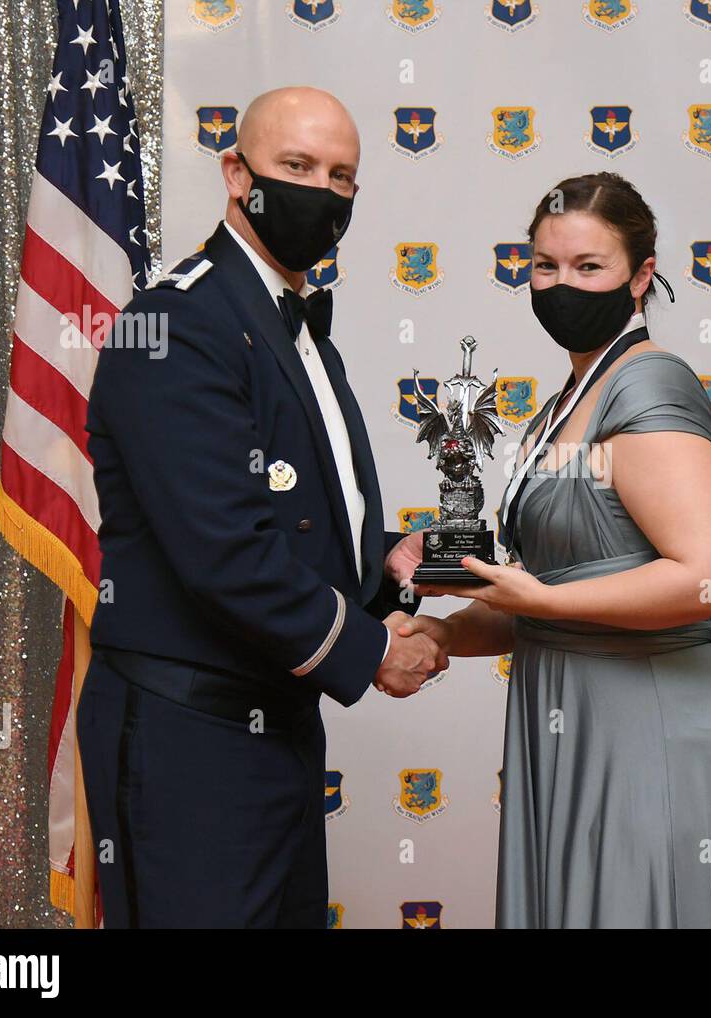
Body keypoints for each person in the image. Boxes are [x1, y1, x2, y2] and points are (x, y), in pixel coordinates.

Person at [78, 86, 441, 928]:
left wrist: (383, 561)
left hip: (276, 723)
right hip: (188, 738)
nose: (323, 192)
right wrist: (371, 648)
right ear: (236, 172)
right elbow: (222, 549)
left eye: (343, 176)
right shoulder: (176, 322)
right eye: (298, 167)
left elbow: (295, 513)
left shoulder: (296, 326)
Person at [394, 172, 711, 929]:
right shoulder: (557, 408)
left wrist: (537, 598)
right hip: (576, 731)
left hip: (659, 736)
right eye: (546, 267)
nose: (561, 285)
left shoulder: (648, 384)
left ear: (641, 276)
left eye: (588, 267)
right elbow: (562, 594)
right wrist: (448, 630)